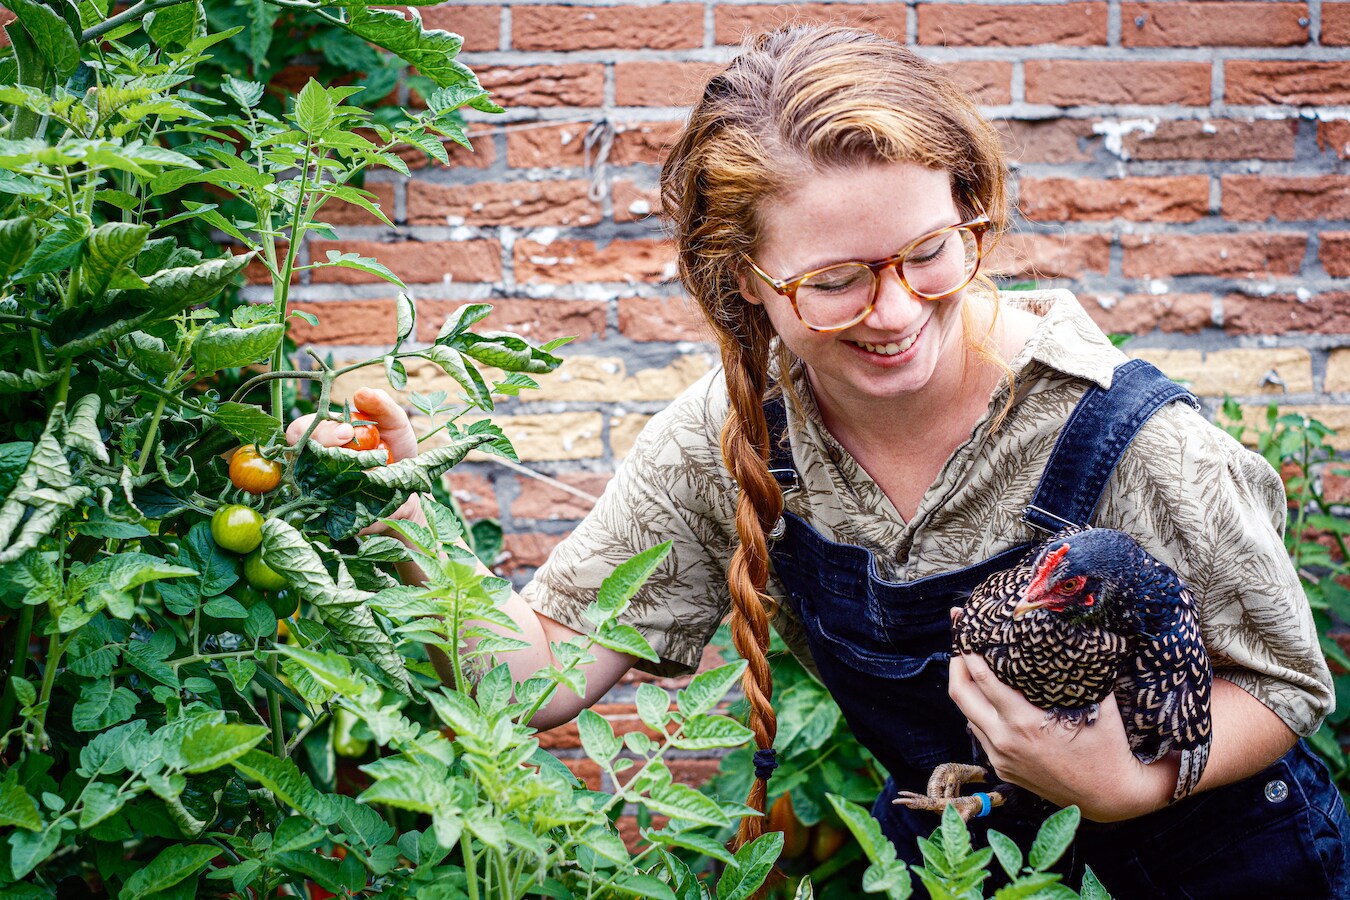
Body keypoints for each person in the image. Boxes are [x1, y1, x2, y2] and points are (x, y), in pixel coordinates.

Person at [296, 24, 1348, 897]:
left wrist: (1125, 787)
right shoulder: (731, 439)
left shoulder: (1128, 437)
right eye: (836, 280)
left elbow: (1287, 684)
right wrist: (402, 506)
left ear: (969, 212)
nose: (895, 312)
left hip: (1229, 866)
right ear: (744, 279)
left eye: (928, 253)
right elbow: (534, 677)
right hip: (966, 872)